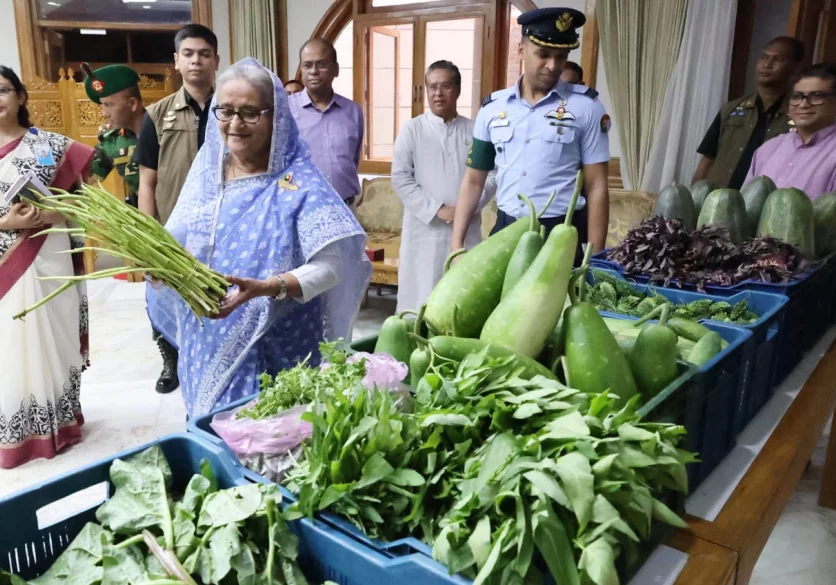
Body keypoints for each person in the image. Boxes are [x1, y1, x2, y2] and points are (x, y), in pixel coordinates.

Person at [146, 58, 371, 418]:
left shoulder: (298, 182)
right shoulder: (206, 171)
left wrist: (268, 287)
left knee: (264, 441)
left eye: (250, 112)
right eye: (226, 111)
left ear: (276, 116)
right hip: (205, 334)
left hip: (274, 339)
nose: (235, 124)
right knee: (210, 435)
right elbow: (179, 239)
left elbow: (331, 267)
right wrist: (160, 269)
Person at [0, 64, 93, 469]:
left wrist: (50, 216)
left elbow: (78, 200)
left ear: (21, 96)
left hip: (45, 252)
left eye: (3, 89)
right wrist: (3, 223)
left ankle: (58, 424)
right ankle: (14, 433)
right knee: (4, 343)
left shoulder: (45, 146)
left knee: (52, 337)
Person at [452, 7, 610, 264]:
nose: (552, 65)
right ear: (521, 49)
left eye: (561, 57)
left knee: (560, 306)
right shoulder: (493, 109)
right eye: (543, 54)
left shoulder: (586, 108)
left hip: (559, 236)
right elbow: (473, 180)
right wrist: (456, 243)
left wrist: (595, 259)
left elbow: (597, 187)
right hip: (504, 231)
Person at [133, 23, 220, 394]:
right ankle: (171, 359)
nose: (196, 61)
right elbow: (147, 183)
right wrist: (151, 241)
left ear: (216, 60)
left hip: (221, 227)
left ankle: (217, 356)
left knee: (216, 298)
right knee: (164, 297)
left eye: (203, 54)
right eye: (188, 54)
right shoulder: (157, 115)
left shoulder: (230, 108)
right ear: (176, 61)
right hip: (173, 230)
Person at [392, 61, 489, 312]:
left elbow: (493, 175)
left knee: (462, 299)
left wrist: (467, 207)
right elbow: (400, 178)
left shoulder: (476, 130)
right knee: (420, 299)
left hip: (466, 229)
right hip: (423, 232)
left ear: (457, 90)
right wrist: (438, 209)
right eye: (432, 87)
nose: (438, 93)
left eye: (445, 86)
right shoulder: (412, 129)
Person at [693, 37, 804, 189]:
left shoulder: (800, 114)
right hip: (717, 200)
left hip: (764, 204)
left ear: (796, 68)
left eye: (778, 59)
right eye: (764, 57)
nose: (767, 65)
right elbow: (707, 160)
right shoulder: (732, 109)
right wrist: (694, 197)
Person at [289, 38, 364, 207]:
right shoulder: (286, 111)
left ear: (335, 70)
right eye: (307, 65)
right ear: (301, 70)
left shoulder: (353, 111)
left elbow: (353, 159)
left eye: (321, 64)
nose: (313, 71)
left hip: (345, 207)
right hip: (302, 208)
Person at [744, 63, 836, 198]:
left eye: (816, 96)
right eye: (797, 96)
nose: (803, 104)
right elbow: (745, 206)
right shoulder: (768, 149)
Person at [85, 63, 145, 207]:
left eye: (109, 105)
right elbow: (87, 178)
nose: (104, 113)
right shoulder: (112, 139)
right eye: (102, 105)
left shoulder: (165, 131)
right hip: (143, 216)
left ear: (132, 104)